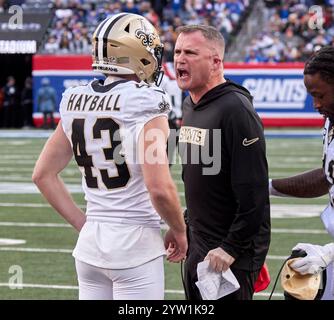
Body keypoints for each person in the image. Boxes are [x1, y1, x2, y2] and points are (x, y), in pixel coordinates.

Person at [32, 13, 187, 300]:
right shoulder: (146, 101)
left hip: (90, 246)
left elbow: (42, 174)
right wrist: (179, 230)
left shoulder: (74, 99)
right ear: (137, 53)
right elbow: (160, 188)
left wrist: (84, 224)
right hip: (136, 244)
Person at [174, 25, 271, 300]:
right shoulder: (189, 104)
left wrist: (231, 247)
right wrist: (183, 223)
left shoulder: (236, 109)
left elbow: (255, 192)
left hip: (228, 255)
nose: (180, 58)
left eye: (190, 52)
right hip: (199, 243)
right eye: (178, 51)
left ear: (216, 61)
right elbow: (200, 175)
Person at [269, 46, 334, 300]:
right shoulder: (331, 118)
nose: (315, 104)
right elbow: (326, 177)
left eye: (320, 95)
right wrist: (268, 187)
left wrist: (328, 252)